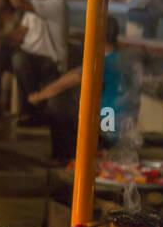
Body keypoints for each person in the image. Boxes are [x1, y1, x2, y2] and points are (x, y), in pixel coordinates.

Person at [27, 17, 134, 161]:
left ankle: (67, 159)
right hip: (125, 128)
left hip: (108, 130)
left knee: (58, 104)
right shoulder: (122, 58)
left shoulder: (104, 63)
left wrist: (38, 96)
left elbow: (66, 82)